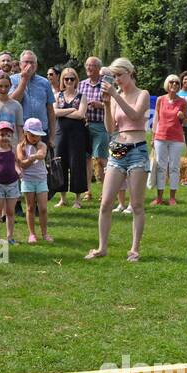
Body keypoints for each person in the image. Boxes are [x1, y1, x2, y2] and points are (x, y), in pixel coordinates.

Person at [86, 57, 149, 262]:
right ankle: (102, 247)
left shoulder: (143, 94)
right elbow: (110, 129)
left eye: (119, 75)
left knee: (136, 204)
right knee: (105, 203)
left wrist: (114, 95)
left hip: (137, 148)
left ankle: (134, 249)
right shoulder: (115, 96)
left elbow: (135, 115)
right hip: (119, 148)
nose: (117, 80)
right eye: (114, 76)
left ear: (130, 73)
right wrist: (106, 104)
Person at [53, 67, 89, 208]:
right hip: (61, 134)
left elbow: (81, 115)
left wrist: (63, 112)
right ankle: (62, 198)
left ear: (76, 80)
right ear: (62, 80)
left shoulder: (82, 96)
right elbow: (54, 112)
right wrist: (72, 109)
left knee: (77, 165)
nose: (69, 81)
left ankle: (78, 199)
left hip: (77, 136)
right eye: (66, 78)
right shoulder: (57, 96)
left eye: (72, 78)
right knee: (60, 164)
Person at [152, 74, 187, 206]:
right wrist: (154, 135)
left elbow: (186, 120)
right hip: (160, 137)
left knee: (174, 167)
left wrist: (182, 116)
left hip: (176, 138)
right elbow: (156, 118)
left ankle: (172, 197)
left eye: (177, 83)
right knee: (160, 167)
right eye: (172, 82)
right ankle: (159, 197)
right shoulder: (160, 100)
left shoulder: (183, 102)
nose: (174, 84)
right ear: (167, 84)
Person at [9, 51, 56, 149]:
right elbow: (12, 103)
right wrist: (24, 80)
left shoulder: (44, 82)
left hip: (41, 131)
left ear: (36, 65)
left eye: (32, 62)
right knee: (21, 162)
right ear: (20, 64)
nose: (29, 65)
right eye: (26, 62)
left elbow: (50, 111)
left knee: (40, 162)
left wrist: (52, 137)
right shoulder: (12, 80)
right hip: (20, 131)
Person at [18, 117, 52, 243]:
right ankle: (32, 234)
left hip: (41, 179)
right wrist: (32, 158)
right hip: (27, 180)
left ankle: (44, 233)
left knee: (43, 208)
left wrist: (35, 155)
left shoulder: (41, 144)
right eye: (33, 135)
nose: (35, 138)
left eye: (38, 135)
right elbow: (22, 164)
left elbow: (42, 154)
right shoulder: (20, 147)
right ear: (26, 133)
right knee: (30, 207)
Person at [79, 57, 108, 201]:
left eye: (92, 66)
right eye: (87, 65)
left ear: (98, 68)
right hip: (84, 125)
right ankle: (88, 192)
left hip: (101, 125)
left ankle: (106, 192)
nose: (89, 68)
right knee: (86, 159)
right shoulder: (81, 85)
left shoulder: (105, 85)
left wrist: (101, 105)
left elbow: (113, 104)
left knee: (101, 160)